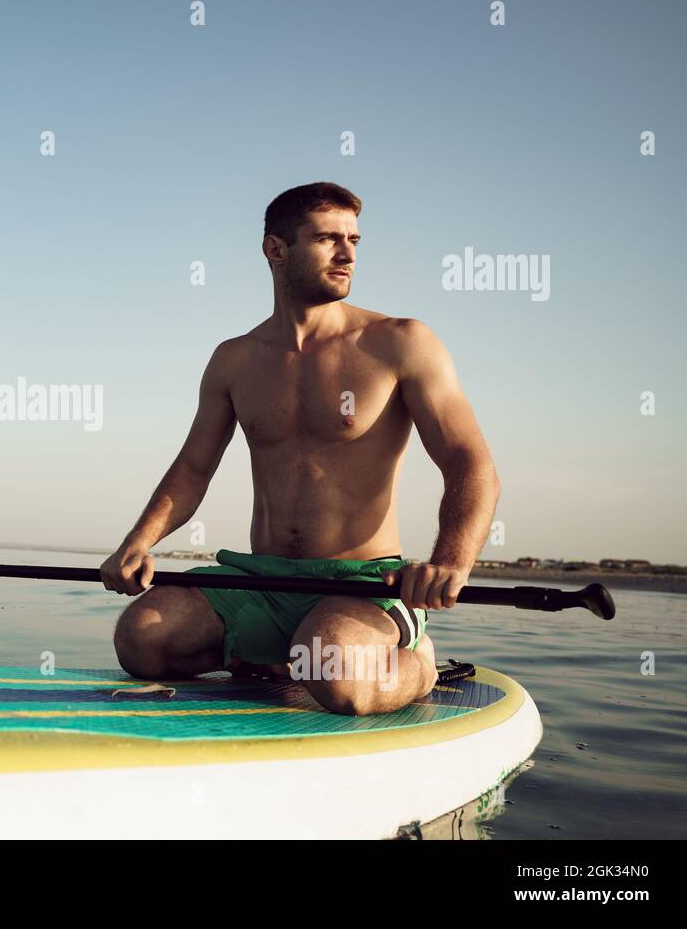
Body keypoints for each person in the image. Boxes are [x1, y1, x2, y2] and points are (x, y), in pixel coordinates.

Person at [100, 182, 500, 716]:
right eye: (327, 238)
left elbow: (470, 463)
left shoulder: (400, 343)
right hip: (260, 579)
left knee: (333, 674)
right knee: (142, 639)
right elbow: (194, 468)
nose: (348, 252)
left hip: (361, 584)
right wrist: (138, 541)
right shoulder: (235, 359)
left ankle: (418, 661)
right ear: (276, 248)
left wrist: (451, 561)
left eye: (354, 239)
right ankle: (273, 654)